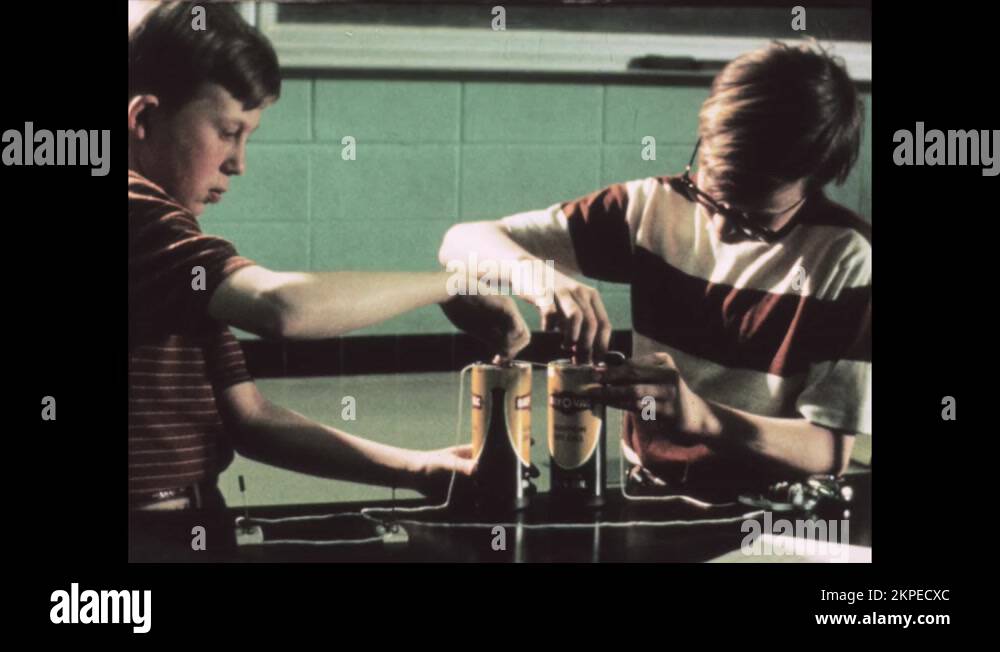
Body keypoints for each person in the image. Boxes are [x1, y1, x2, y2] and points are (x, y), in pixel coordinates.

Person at [128, 3, 527, 524]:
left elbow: (249, 419)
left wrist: (420, 469)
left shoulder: (176, 251)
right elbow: (283, 308)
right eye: (227, 132)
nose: (239, 163)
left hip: (190, 518)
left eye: (249, 137)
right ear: (144, 118)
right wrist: (452, 284)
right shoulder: (136, 212)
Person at [439, 41, 871, 492]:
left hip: (772, 509)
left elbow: (828, 453)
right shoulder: (653, 207)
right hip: (647, 487)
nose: (719, 228)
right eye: (709, 192)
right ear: (705, 138)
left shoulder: (846, 257)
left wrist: (699, 416)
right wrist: (540, 276)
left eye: (752, 218)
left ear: (815, 178)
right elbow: (460, 241)